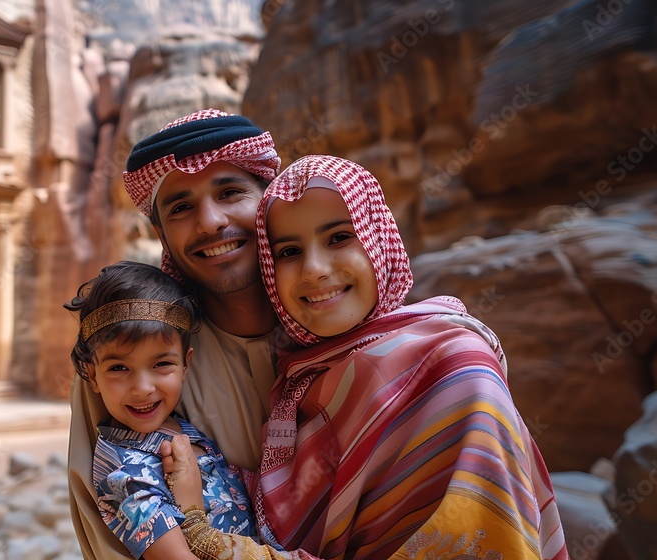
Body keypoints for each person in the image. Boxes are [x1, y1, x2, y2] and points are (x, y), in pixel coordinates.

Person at [165, 155, 569, 559]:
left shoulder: (453, 367)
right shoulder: (303, 373)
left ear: (378, 240)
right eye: (288, 251)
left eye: (339, 238)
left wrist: (203, 532)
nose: (314, 270)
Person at [68, 109, 287, 560]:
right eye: (181, 207)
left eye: (230, 192)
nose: (210, 223)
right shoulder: (135, 342)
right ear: (160, 233)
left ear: (269, 200)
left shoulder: (331, 322)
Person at [65, 260, 260, 559]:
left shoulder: (181, 425)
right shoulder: (124, 475)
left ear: (186, 365)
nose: (142, 387)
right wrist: (192, 511)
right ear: (92, 376)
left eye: (161, 364)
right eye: (119, 367)